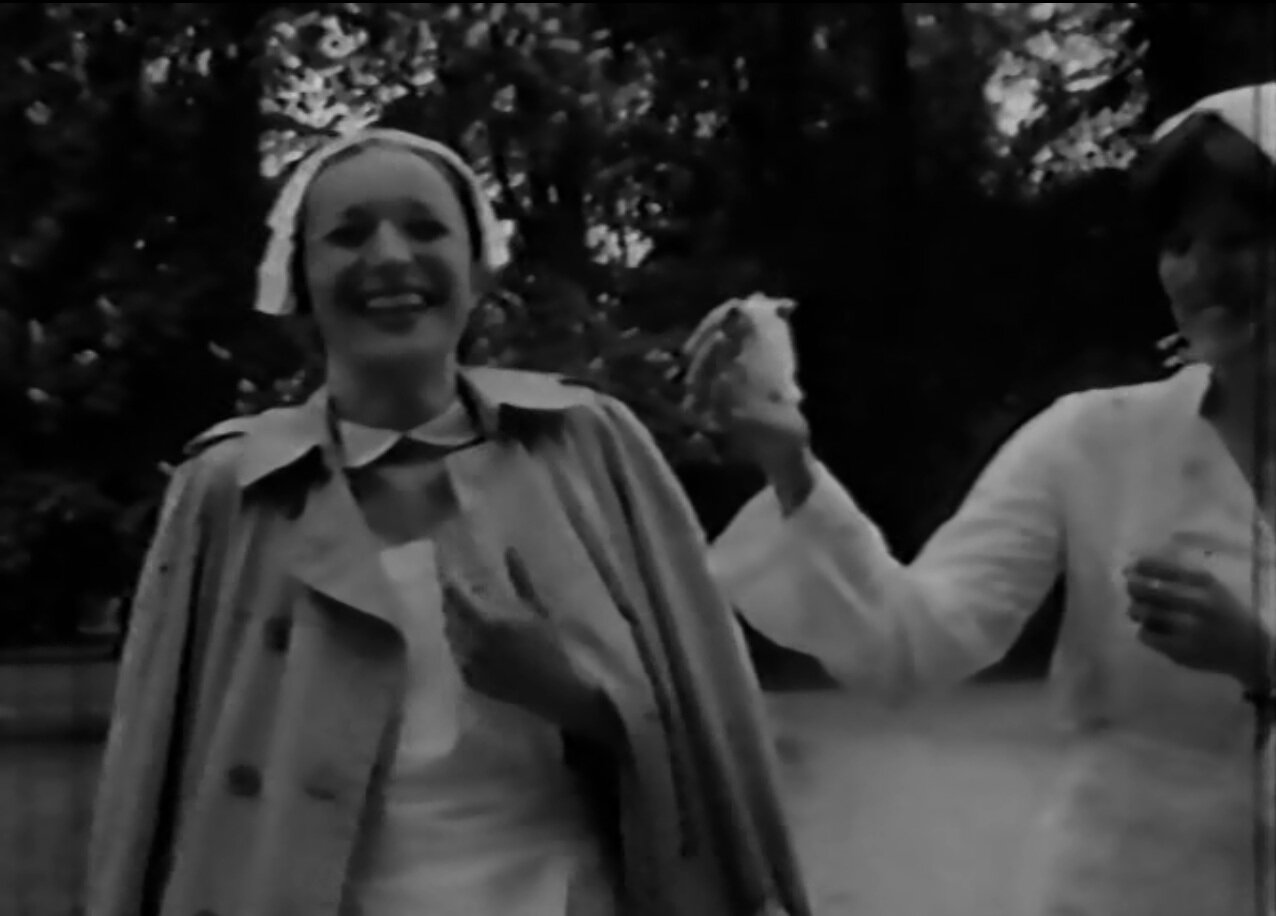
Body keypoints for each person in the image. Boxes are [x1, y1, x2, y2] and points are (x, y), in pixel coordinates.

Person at [85, 127, 811, 916]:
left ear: (477, 266)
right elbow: (148, 784)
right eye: (348, 235)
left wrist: (569, 693)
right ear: (299, 277)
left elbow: (712, 738)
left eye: (426, 228)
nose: (390, 256)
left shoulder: (591, 445)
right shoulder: (227, 488)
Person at [695, 82, 1276, 916]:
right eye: (1179, 244)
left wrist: (1262, 660)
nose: (1203, 273)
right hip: (1127, 889)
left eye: (1241, 240)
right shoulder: (1095, 441)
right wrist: (789, 463)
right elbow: (917, 642)